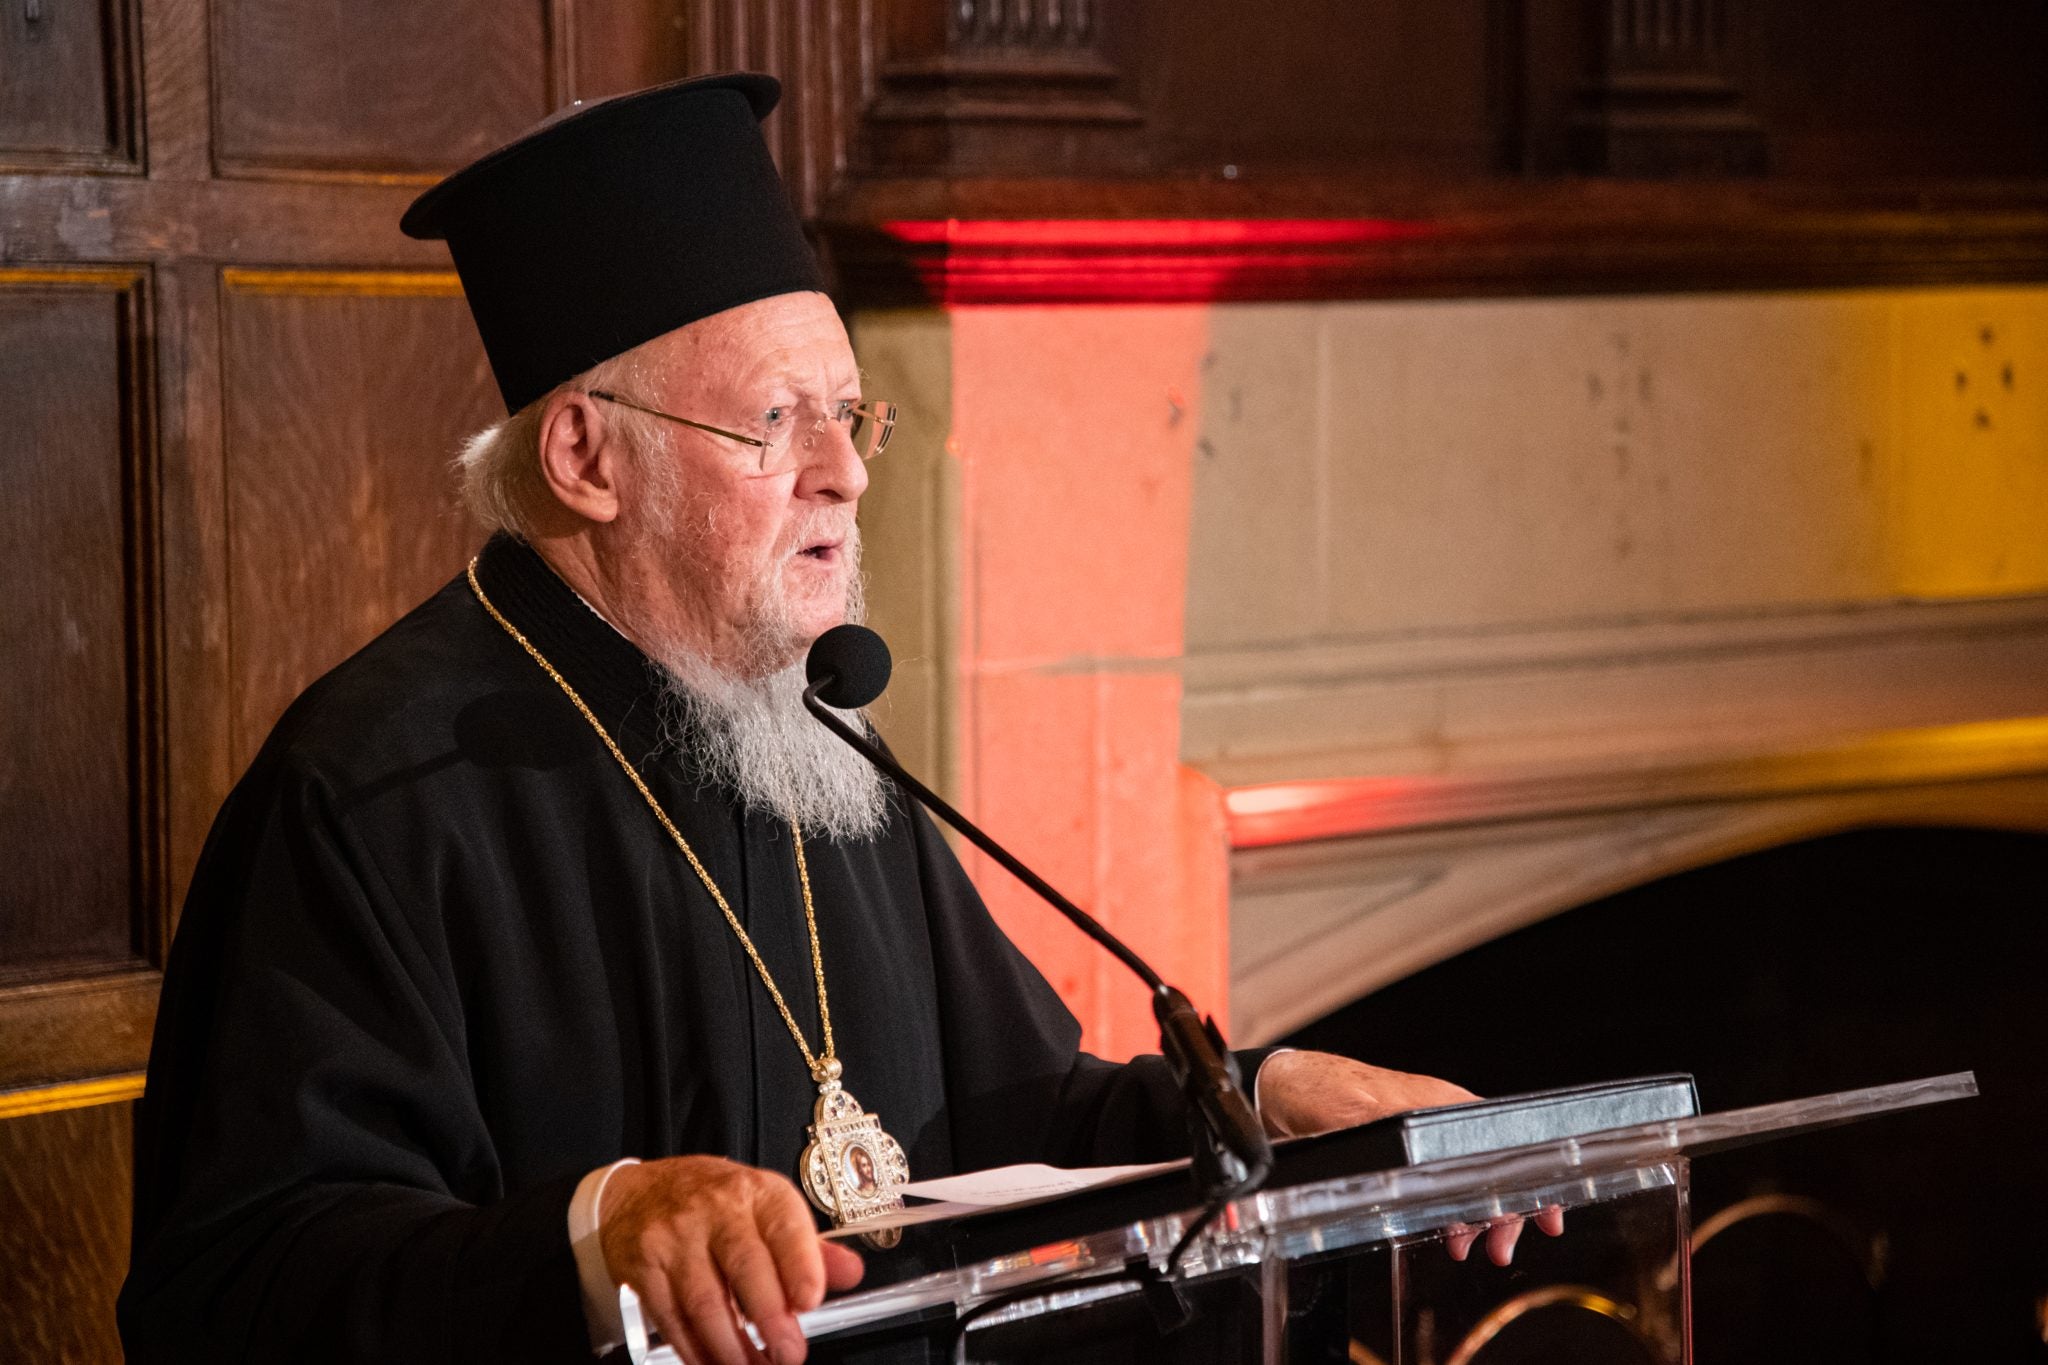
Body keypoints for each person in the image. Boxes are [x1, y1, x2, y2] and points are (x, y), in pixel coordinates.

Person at [116, 73, 1547, 1365]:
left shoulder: (812, 738)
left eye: (849, 417)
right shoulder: (370, 788)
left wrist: (1264, 1107)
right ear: (584, 455)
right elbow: (235, 1284)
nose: (843, 477)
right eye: (775, 422)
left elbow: (1015, 1126)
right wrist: (597, 1231)